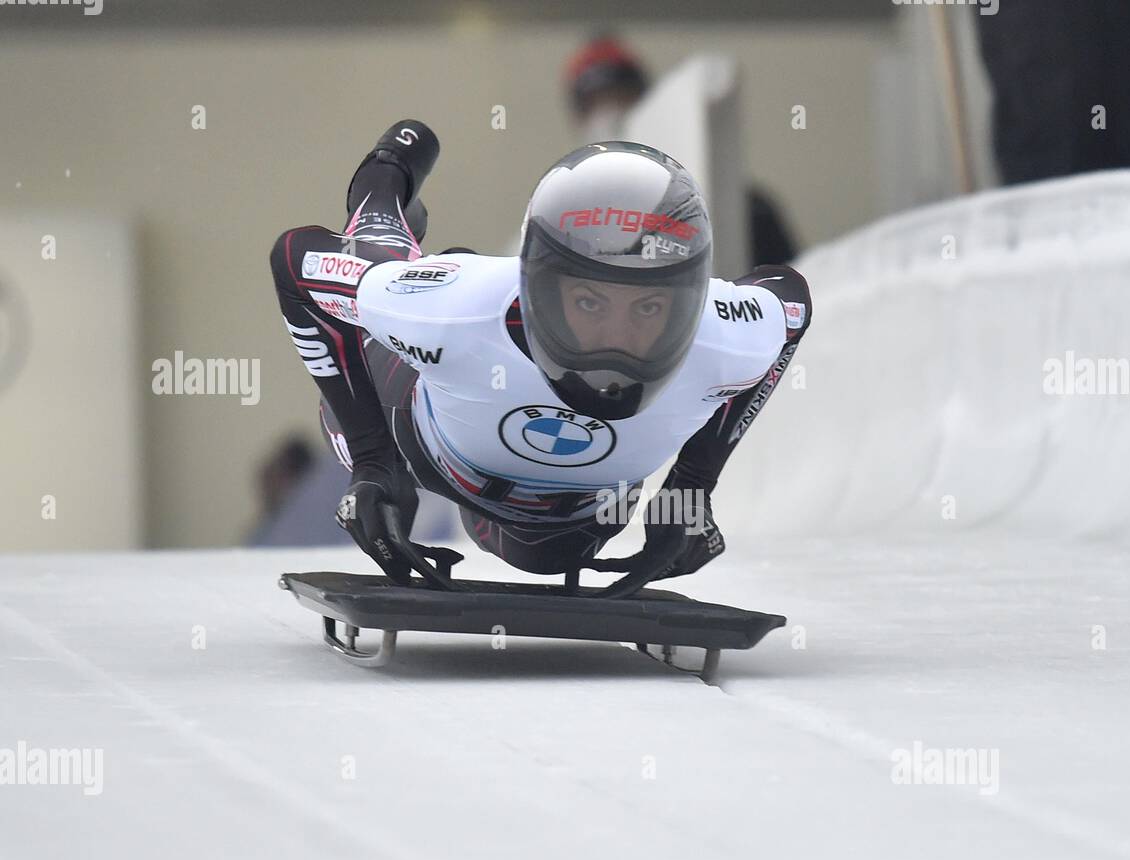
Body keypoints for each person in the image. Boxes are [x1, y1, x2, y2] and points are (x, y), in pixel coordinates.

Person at [268, 120, 811, 590]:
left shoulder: (724, 333)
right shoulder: (451, 310)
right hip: (422, 436)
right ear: (538, 288)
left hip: (581, 507)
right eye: (588, 302)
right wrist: (372, 462)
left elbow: (790, 303)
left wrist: (691, 488)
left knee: (547, 557)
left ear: (690, 300)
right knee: (373, 269)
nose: (614, 339)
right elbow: (296, 260)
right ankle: (388, 183)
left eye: (649, 308)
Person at [565, 34, 799, 267]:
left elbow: (787, 291)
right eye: (595, 105)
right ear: (579, 119)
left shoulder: (745, 208)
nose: (610, 116)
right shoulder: (571, 224)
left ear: (645, 106)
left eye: (621, 97)